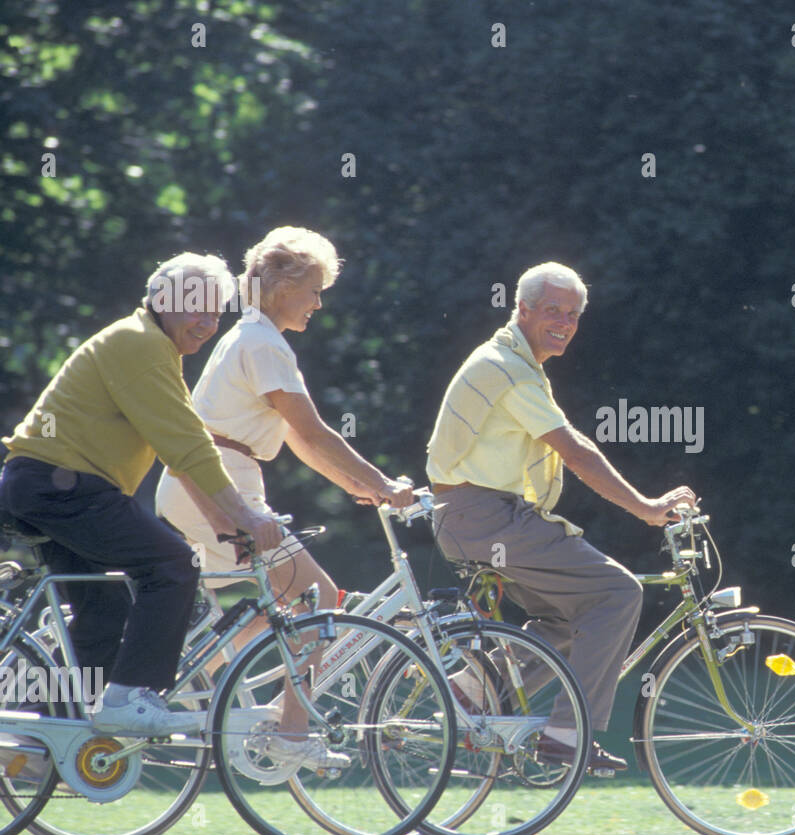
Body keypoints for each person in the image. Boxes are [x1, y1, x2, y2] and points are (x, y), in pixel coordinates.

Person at [155, 226, 413, 770]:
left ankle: (211, 677)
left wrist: (364, 487)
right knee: (316, 595)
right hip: (220, 485)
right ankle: (291, 732)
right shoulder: (264, 343)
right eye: (313, 290)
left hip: (208, 482)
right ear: (279, 286)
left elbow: (301, 442)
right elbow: (315, 433)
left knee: (282, 605)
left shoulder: (251, 337)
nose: (319, 303)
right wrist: (385, 487)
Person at [427, 261, 696, 773]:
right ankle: (568, 734)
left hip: (473, 518)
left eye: (573, 314)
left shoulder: (512, 362)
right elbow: (575, 450)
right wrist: (646, 508)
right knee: (618, 593)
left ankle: (472, 688)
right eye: (553, 310)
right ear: (522, 309)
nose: (565, 322)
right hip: (486, 518)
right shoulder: (508, 370)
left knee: (568, 614)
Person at [0, 253, 282, 739]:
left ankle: (34, 737)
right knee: (174, 565)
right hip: (64, 487)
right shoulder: (142, 345)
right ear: (161, 299)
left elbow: (180, 450)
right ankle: (131, 697)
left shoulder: (152, 348)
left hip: (47, 488)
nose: (208, 323)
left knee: (105, 611)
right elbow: (190, 446)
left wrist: (224, 523)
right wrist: (246, 516)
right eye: (198, 308)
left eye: (216, 313)